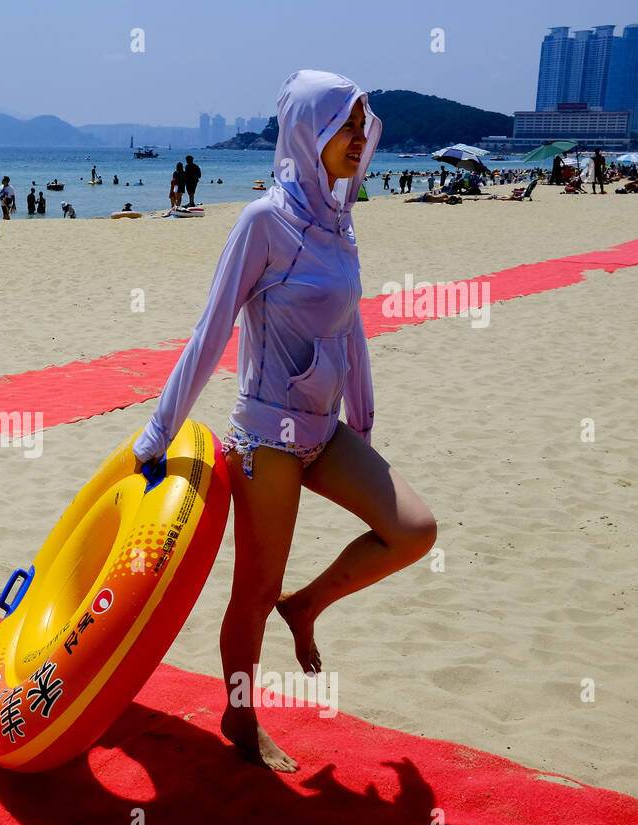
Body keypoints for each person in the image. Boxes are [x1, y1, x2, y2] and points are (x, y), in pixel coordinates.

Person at [131, 70, 436, 773]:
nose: (361, 138)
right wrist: (156, 434)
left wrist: (361, 416)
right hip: (265, 440)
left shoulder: (340, 216)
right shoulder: (263, 221)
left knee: (414, 530)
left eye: (366, 124)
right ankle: (240, 719)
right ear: (311, 132)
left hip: (325, 433)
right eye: (346, 125)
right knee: (252, 593)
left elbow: (350, 324)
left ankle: (307, 608)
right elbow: (212, 329)